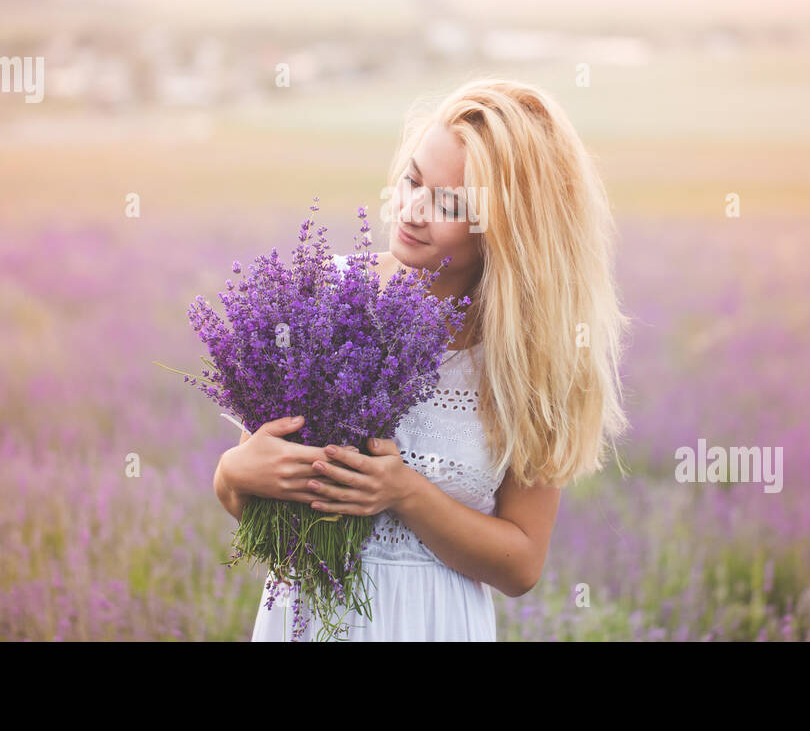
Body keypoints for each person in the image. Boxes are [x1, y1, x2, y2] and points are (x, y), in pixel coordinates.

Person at [213, 77, 633, 640]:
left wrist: (405, 493)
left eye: (447, 201)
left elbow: (523, 564)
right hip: (307, 622)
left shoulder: (531, 358)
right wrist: (231, 474)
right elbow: (264, 510)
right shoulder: (327, 297)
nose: (411, 209)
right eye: (412, 181)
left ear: (508, 227)